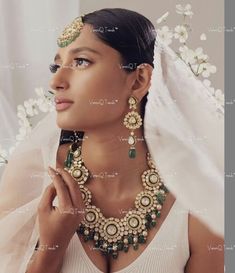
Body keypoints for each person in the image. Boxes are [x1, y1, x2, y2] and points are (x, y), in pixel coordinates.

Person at [0, 8, 224, 273]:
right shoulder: (33, 174)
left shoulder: (196, 196)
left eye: (81, 61)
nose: (56, 81)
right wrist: (52, 248)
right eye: (56, 66)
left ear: (139, 79)